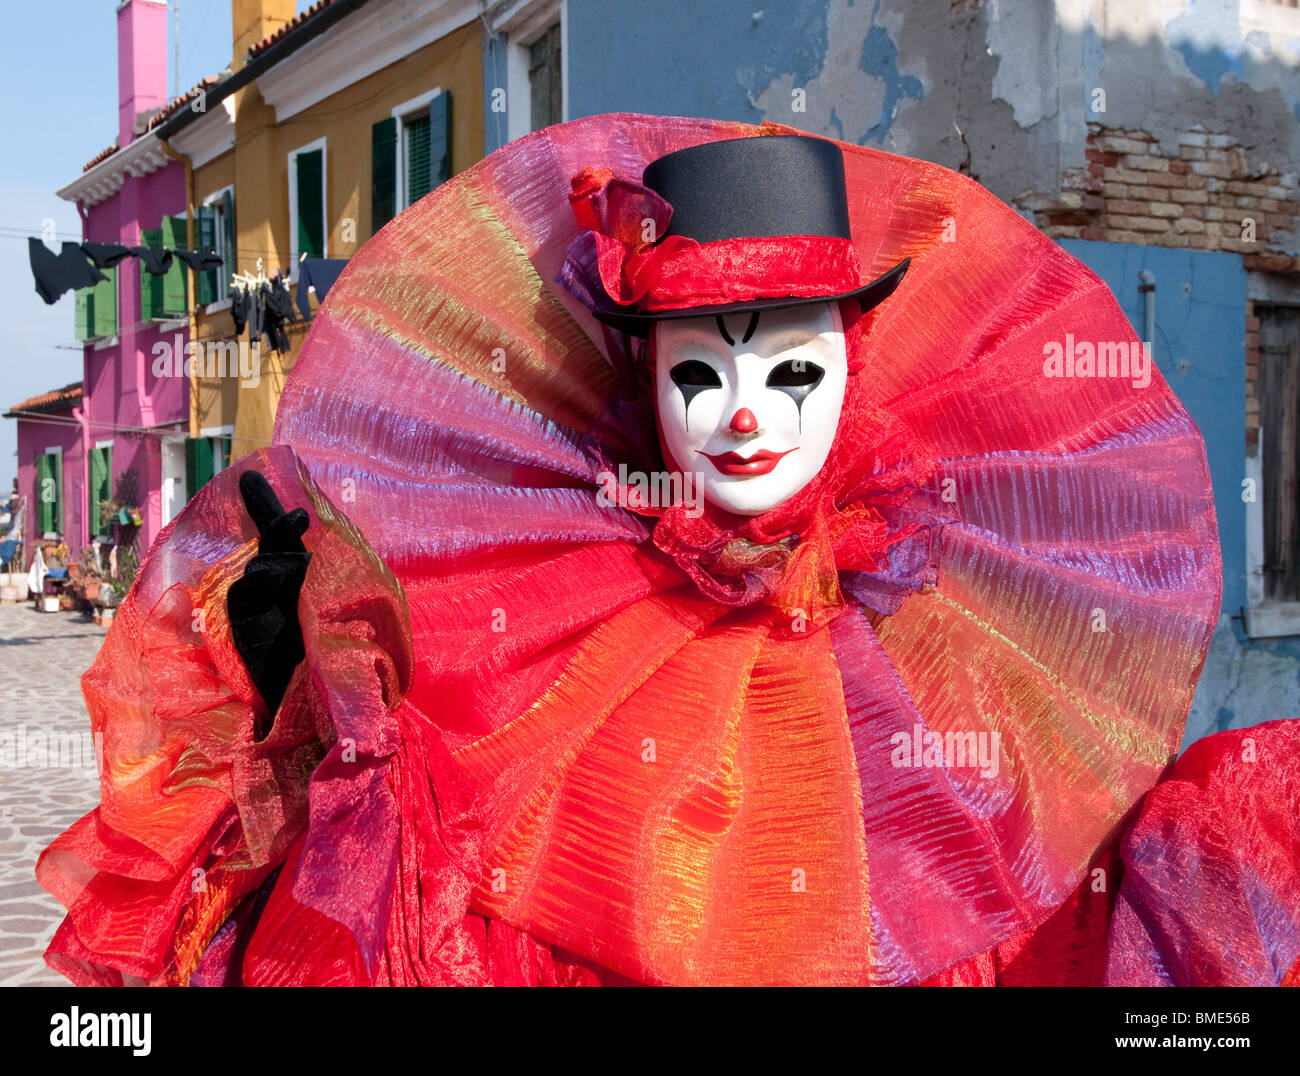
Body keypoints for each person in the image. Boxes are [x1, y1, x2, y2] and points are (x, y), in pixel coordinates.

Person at [38, 115, 1222, 986]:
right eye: (700, 374)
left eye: (793, 371)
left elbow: (1024, 883)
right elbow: (407, 881)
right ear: (644, 380)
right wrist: (303, 694)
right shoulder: (540, 605)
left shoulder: (945, 609)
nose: (746, 416)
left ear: (855, 368)